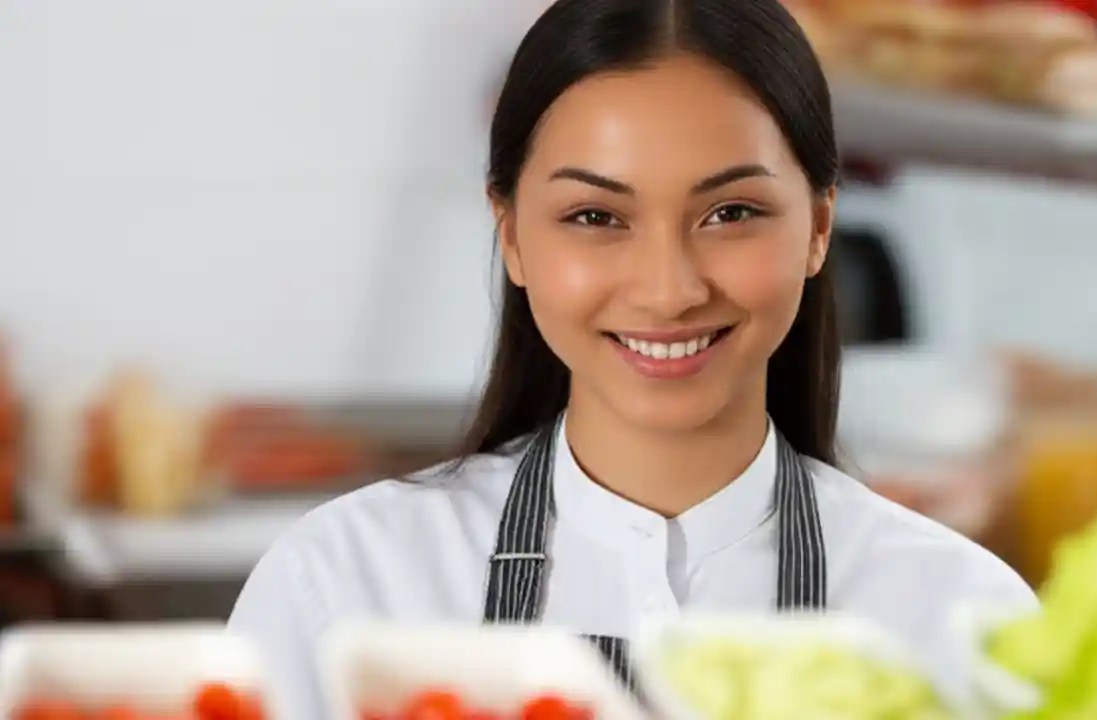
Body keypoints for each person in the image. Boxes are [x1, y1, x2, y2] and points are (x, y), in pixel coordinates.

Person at [227, 0, 1037, 715]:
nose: (667, 290)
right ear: (509, 231)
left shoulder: (963, 619)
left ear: (820, 225)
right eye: (594, 216)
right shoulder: (341, 586)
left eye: (730, 212)